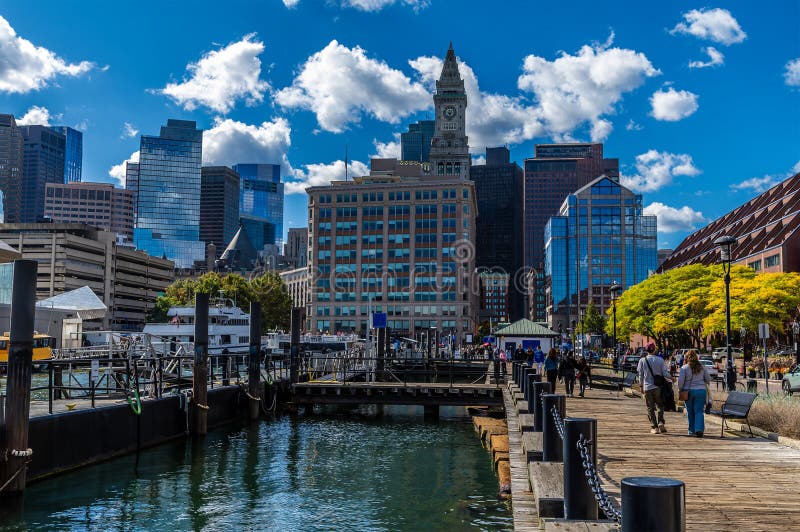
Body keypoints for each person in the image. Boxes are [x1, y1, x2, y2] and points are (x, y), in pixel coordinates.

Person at [637, 342, 673, 434]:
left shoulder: (642, 360)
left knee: (650, 407)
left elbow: (640, 375)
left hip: (647, 387)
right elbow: (665, 373)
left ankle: (654, 427)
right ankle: (661, 421)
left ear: (646, 350)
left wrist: (641, 386)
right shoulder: (660, 360)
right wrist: (672, 378)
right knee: (660, 405)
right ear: (654, 350)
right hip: (658, 387)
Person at [678, 350, 710, 437]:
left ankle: (691, 430)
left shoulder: (684, 368)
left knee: (690, 411)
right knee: (699, 411)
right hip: (701, 391)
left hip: (688, 392)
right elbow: (708, 379)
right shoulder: (702, 367)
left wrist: (680, 390)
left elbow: (680, 382)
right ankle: (699, 429)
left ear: (686, 358)